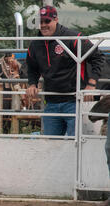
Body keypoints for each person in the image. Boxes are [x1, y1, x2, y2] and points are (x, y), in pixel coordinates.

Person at [26, 5, 105, 136]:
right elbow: (32, 67)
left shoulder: (73, 38)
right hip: (51, 103)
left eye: (47, 21)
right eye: (40, 22)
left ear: (56, 20)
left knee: (75, 146)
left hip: (74, 101)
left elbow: (98, 57)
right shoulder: (35, 44)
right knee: (51, 146)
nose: (43, 25)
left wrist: (91, 84)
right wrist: (32, 84)